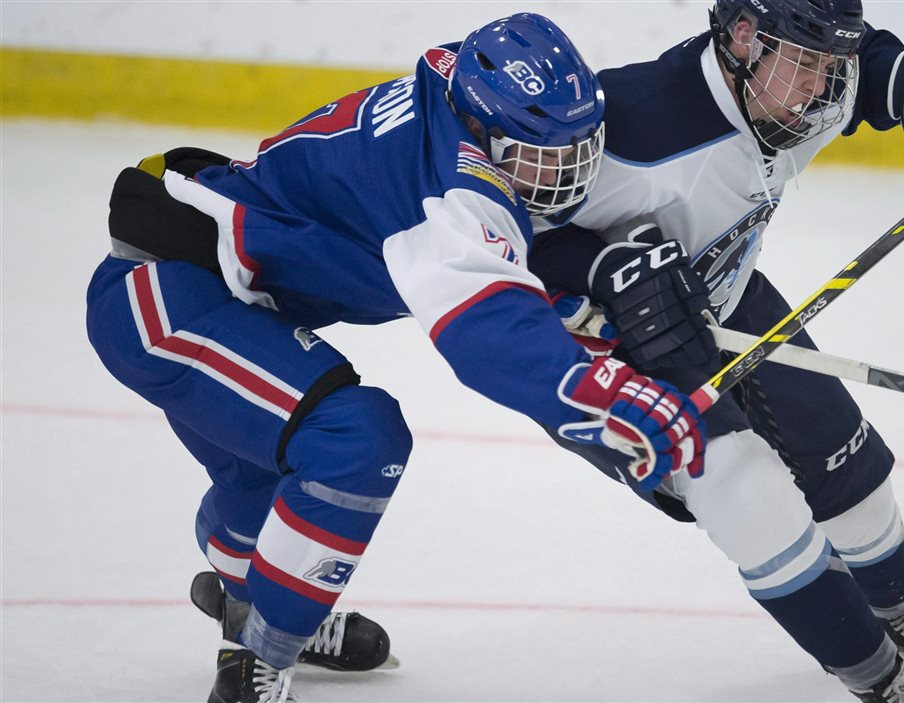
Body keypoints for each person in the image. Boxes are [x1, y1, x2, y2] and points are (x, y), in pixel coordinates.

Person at [86, 13, 706, 703]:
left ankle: (250, 597)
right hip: (166, 298)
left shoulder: (453, 85)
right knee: (354, 438)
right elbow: (485, 333)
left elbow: (474, 260)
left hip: (219, 293)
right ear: (486, 132)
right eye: (541, 152)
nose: (565, 171)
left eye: (575, 148)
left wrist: (550, 305)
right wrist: (600, 391)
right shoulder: (454, 189)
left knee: (269, 471)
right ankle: (259, 654)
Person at [528, 1, 904, 701]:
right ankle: (879, 678)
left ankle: (896, 607)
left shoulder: (796, 80)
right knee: (751, 493)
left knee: (843, 450)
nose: (826, 86)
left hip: (730, 303)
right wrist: (594, 278)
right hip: (625, 353)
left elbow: (876, 75)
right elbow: (516, 222)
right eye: (808, 61)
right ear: (743, 36)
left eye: (836, 63)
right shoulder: (636, 124)